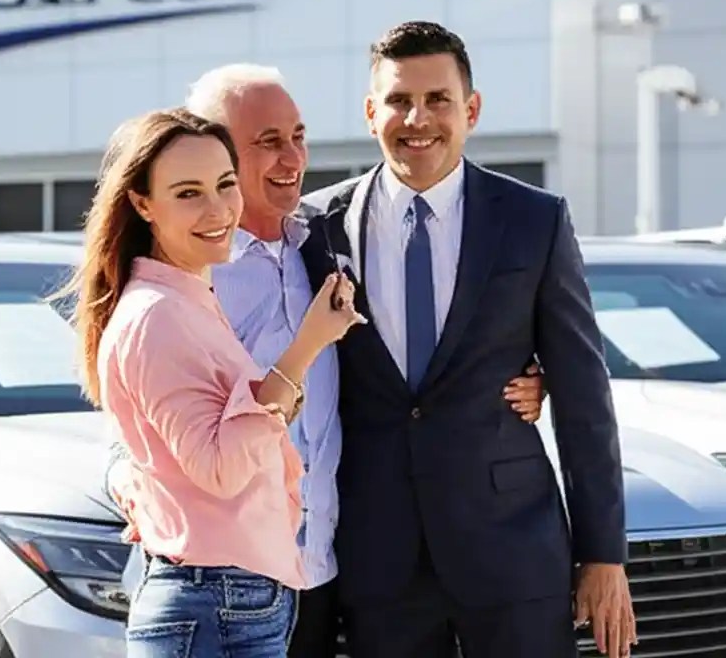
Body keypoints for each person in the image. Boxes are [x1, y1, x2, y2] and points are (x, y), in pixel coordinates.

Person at [178, 64, 547, 657]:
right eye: (268, 142)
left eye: (298, 137)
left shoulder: (320, 243)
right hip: (229, 581)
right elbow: (145, 412)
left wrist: (529, 374)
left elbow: (410, 359)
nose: (291, 159)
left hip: (318, 572)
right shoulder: (189, 275)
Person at [298, 21, 636, 658]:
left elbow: (585, 396)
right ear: (371, 113)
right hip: (377, 558)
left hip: (513, 550)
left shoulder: (534, 219)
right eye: (398, 100)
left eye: (438, 100)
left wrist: (602, 554)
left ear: (471, 110)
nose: (417, 118)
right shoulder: (315, 230)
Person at [63, 107, 364, 657]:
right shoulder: (159, 315)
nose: (219, 208)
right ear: (142, 204)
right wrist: (307, 345)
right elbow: (221, 467)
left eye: (226, 184)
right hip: (217, 602)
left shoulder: (182, 298)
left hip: (226, 596)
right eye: (188, 193)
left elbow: (178, 453)